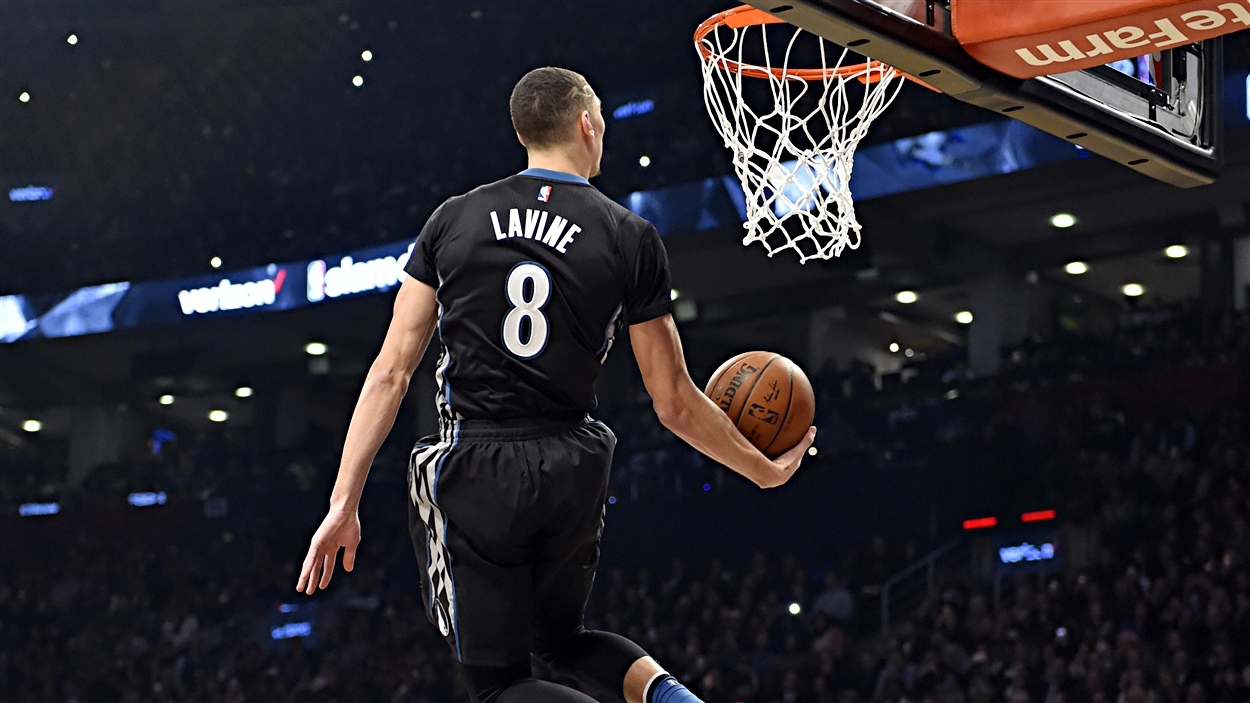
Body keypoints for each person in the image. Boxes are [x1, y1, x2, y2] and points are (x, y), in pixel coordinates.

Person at [296, 66, 816, 703]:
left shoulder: (453, 220)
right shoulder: (630, 234)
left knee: (497, 686)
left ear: (521, 134)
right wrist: (761, 471)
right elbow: (675, 401)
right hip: (573, 459)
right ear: (587, 123)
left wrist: (343, 502)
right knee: (561, 639)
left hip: (476, 462)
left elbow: (391, 372)